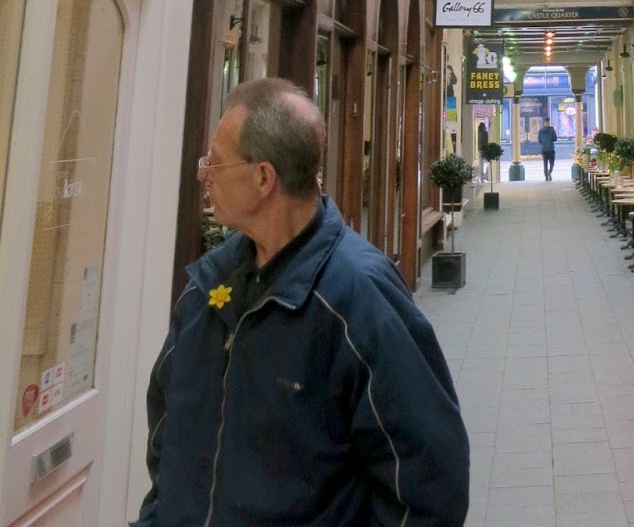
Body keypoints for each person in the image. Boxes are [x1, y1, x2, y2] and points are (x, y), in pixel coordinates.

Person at [134, 77, 469, 527]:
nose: (204, 176)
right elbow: (168, 430)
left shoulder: (357, 296)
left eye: (214, 163)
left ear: (263, 177)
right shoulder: (210, 285)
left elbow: (428, 483)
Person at [537, 117, 557, 181]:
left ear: (544, 122)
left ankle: (546, 176)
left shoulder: (541, 130)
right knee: (552, 162)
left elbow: (539, 140)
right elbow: (555, 139)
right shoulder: (552, 129)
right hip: (551, 148)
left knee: (545, 163)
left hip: (544, 149)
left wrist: (544, 142)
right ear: (549, 122)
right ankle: (549, 172)